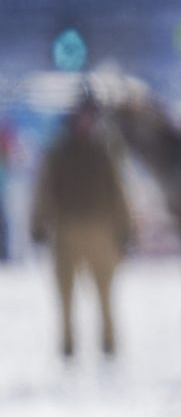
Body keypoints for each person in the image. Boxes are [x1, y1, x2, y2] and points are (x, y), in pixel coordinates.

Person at [30, 93, 135, 359]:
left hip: (101, 230)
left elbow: (118, 191)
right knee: (66, 293)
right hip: (67, 229)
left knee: (105, 291)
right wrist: (38, 224)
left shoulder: (105, 151)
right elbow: (44, 190)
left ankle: (109, 343)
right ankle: (68, 344)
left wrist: (127, 227)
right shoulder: (59, 152)